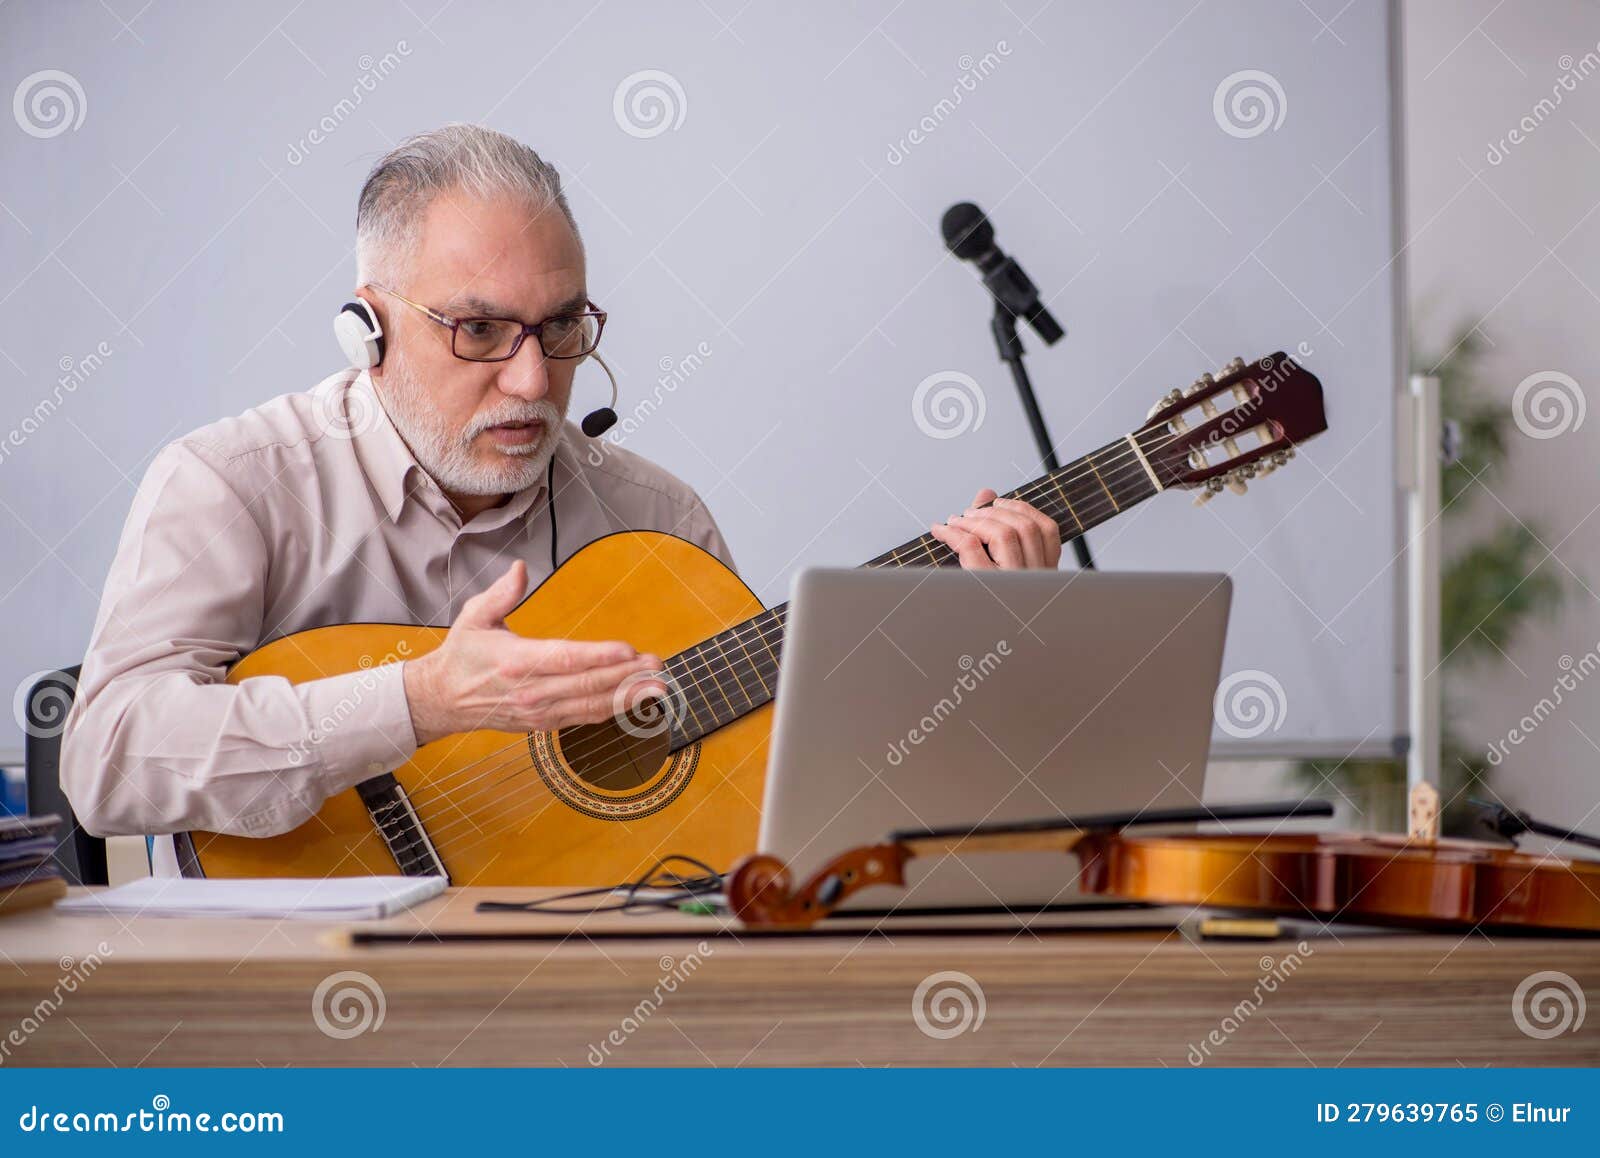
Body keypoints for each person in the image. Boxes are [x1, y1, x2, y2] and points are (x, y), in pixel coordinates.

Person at [60, 124, 1063, 873]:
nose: (535, 382)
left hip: (587, 1004)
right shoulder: (232, 482)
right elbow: (107, 763)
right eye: (480, 331)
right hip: (289, 1014)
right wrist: (416, 703)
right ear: (366, 328)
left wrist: (967, 645)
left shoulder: (657, 520)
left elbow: (765, 791)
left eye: (562, 327)